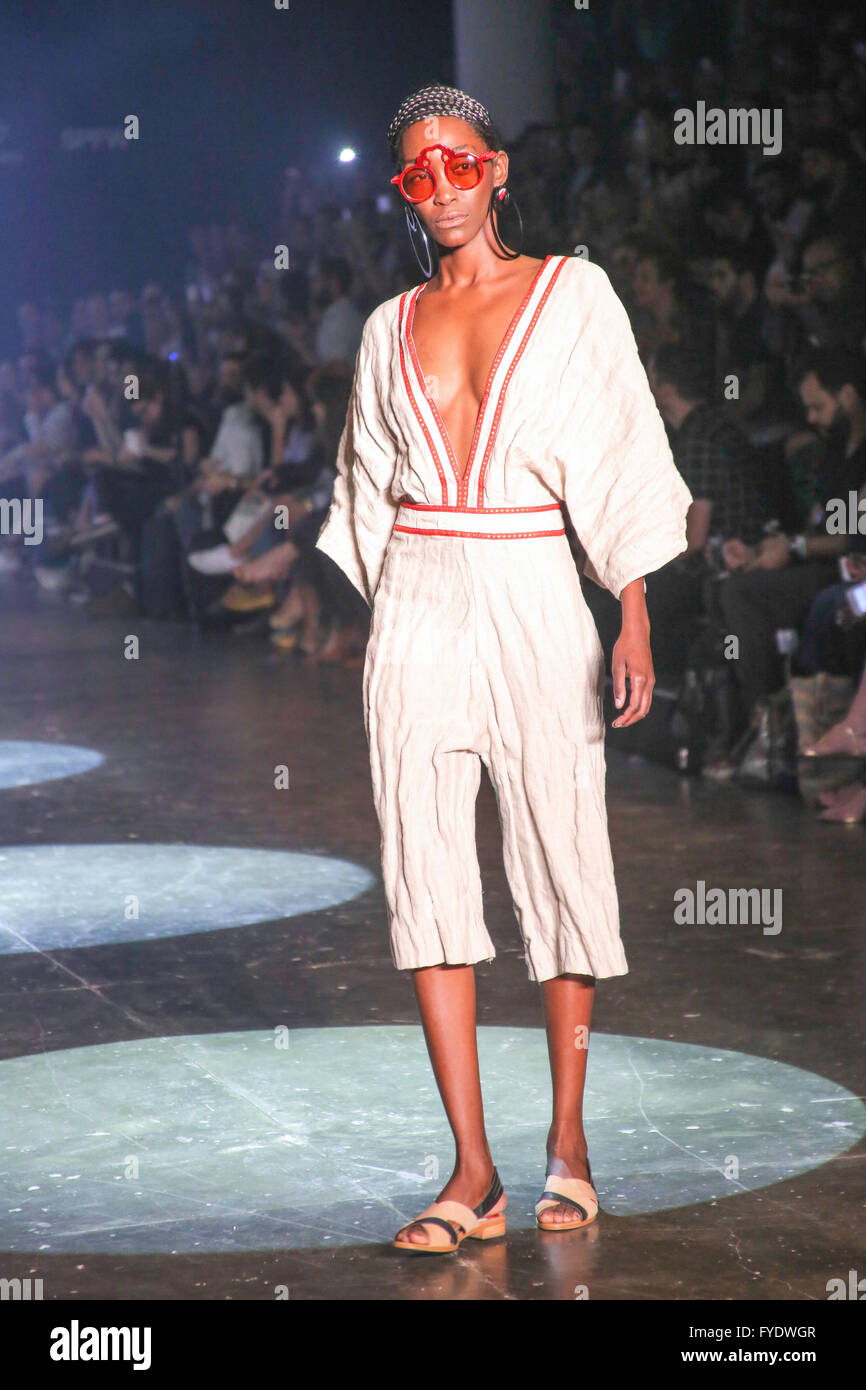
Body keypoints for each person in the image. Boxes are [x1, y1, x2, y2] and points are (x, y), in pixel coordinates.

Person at [314, 83, 693, 1253]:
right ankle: (470, 1170)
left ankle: (567, 1148)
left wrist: (629, 603)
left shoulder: (572, 296)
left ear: (499, 168)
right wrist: (400, 626)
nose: (440, 190)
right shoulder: (388, 326)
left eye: (459, 166)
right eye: (415, 176)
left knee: (559, 856)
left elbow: (621, 443)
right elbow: (370, 494)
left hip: (537, 582)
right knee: (425, 870)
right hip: (424, 589)